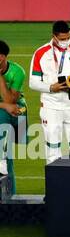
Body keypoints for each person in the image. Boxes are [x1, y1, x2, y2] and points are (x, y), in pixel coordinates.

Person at [29, 21, 70, 164]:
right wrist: (52, 87)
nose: (66, 41)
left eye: (68, 38)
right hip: (51, 107)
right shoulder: (41, 53)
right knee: (53, 149)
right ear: (54, 36)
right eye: (63, 39)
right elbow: (33, 82)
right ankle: (55, 185)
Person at [0, 40, 28, 191]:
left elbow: (12, 101)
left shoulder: (17, 72)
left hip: (18, 111)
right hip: (5, 110)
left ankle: (10, 197)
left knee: (5, 157)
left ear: (2, 57)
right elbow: (6, 104)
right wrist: (4, 105)